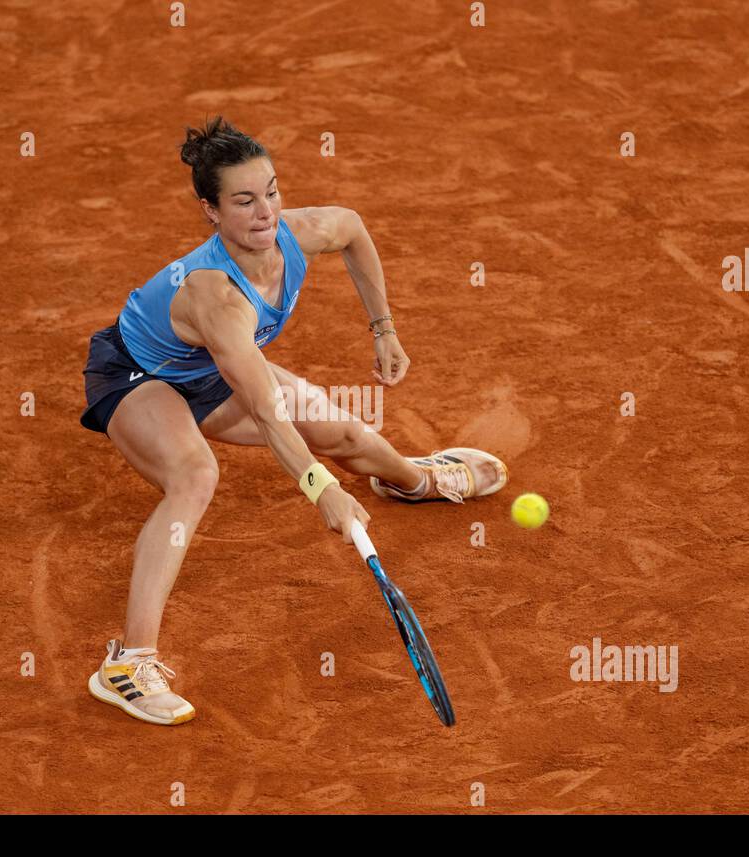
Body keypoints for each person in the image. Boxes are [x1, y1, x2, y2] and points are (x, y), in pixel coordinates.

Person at [80, 116, 507, 725]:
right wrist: (322, 490)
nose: (265, 213)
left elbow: (354, 227)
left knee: (344, 432)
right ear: (211, 210)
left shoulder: (295, 234)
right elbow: (268, 413)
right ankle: (128, 664)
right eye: (244, 201)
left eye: (272, 191)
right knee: (195, 476)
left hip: (210, 373)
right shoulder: (216, 296)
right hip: (139, 378)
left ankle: (412, 479)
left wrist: (382, 327)